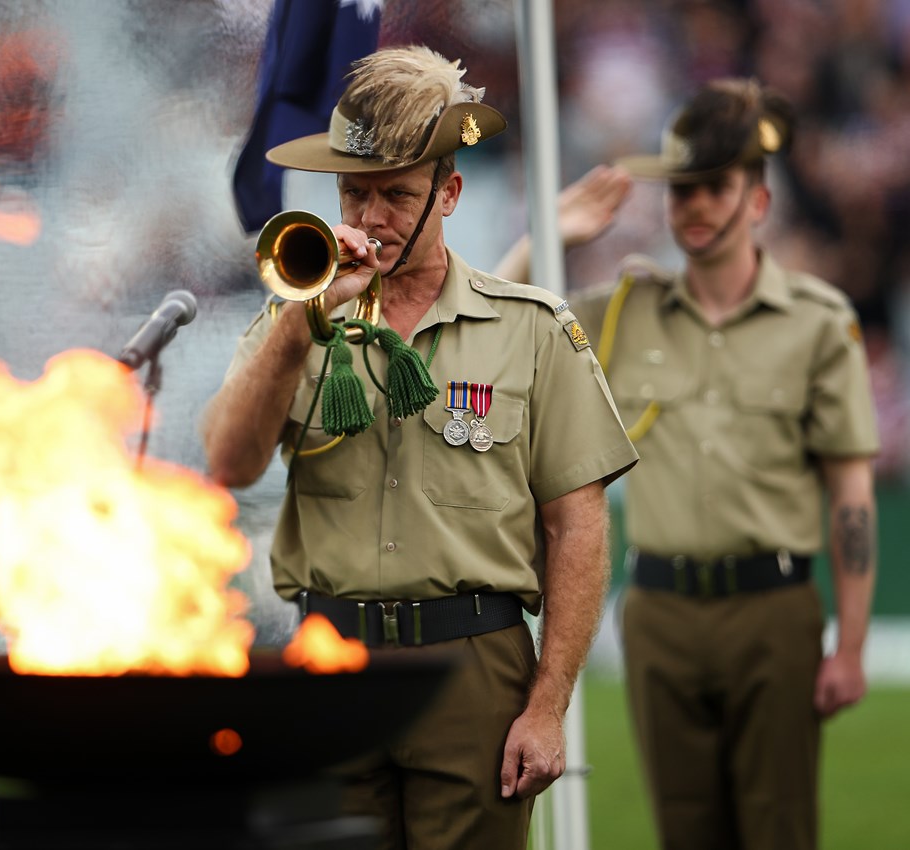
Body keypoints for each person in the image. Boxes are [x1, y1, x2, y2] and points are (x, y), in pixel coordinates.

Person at [202, 45, 638, 849]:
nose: (372, 218)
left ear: (450, 193)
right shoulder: (296, 319)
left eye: (398, 195)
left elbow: (577, 527)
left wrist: (546, 709)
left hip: (471, 670)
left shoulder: (532, 328)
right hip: (329, 662)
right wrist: (299, 325)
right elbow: (229, 463)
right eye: (354, 194)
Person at [496, 78, 880, 850]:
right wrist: (551, 236)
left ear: (758, 202)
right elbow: (500, 322)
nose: (693, 207)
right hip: (661, 611)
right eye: (680, 191)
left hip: (773, 609)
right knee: (685, 831)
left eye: (713, 188)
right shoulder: (627, 309)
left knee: (778, 830)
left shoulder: (815, 321)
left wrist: (851, 645)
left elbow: (851, 490)